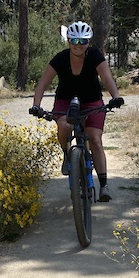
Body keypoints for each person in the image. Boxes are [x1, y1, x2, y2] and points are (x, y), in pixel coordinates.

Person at [30, 21, 123, 202]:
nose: (78, 45)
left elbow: (106, 77)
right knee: (64, 125)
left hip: (92, 101)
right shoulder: (60, 58)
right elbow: (43, 82)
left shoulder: (95, 56)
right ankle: (68, 155)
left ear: (88, 42)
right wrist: (36, 105)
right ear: (69, 41)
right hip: (65, 100)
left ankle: (103, 185)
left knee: (95, 139)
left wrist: (115, 96)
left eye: (83, 41)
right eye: (74, 40)